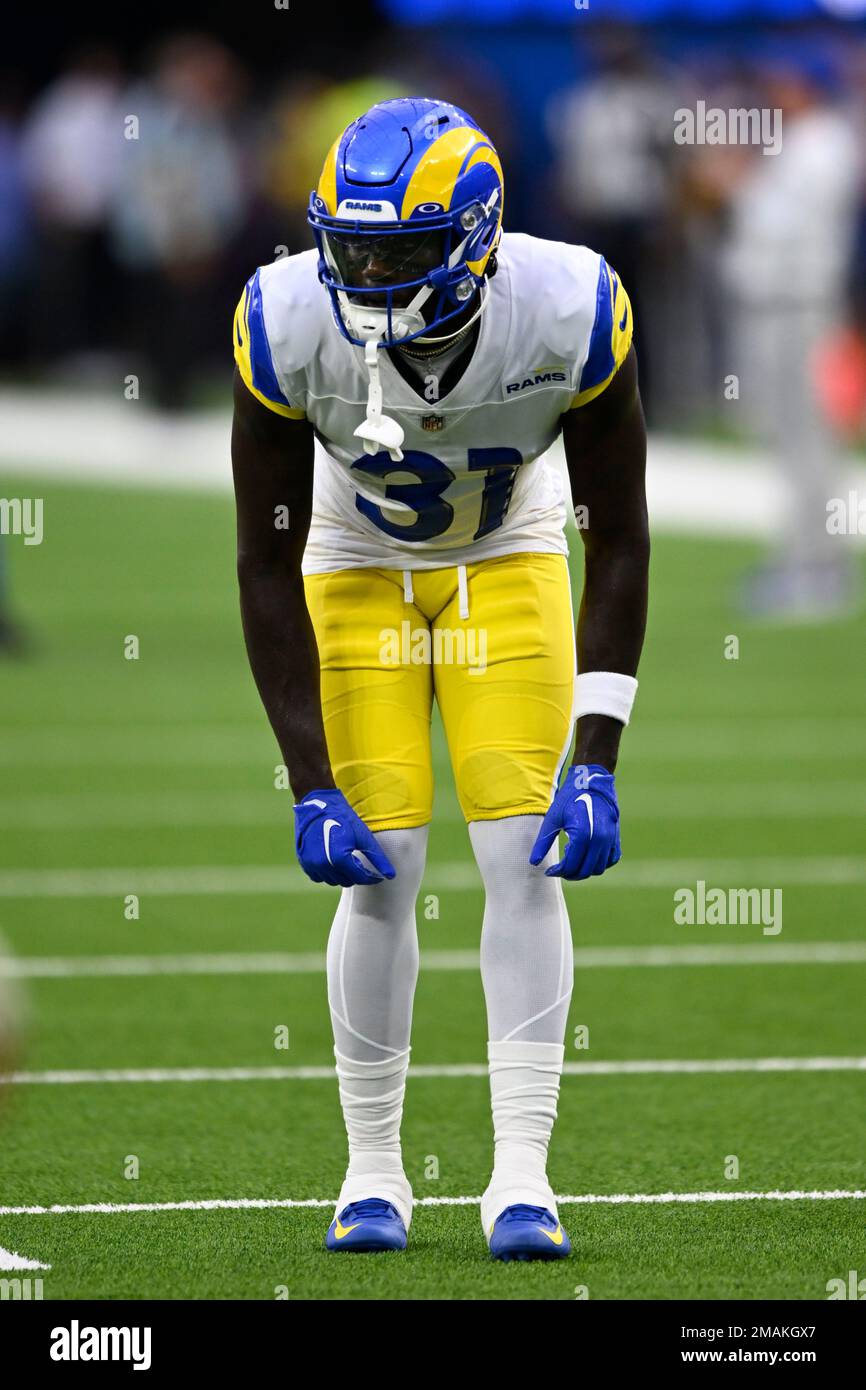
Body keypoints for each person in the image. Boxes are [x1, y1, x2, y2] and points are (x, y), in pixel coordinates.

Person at [230, 97, 649, 1261]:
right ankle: (372, 1173)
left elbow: (617, 531)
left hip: (506, 553)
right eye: (348, 246)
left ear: (474, 238)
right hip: (352, 557)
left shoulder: (568, 307)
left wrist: (598, 755)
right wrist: (307, 781)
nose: (362, 273)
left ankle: (522, 1175)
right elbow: (262, 557)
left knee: (521, 850)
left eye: (396, 252)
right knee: (382, 865)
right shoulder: (282, 317)